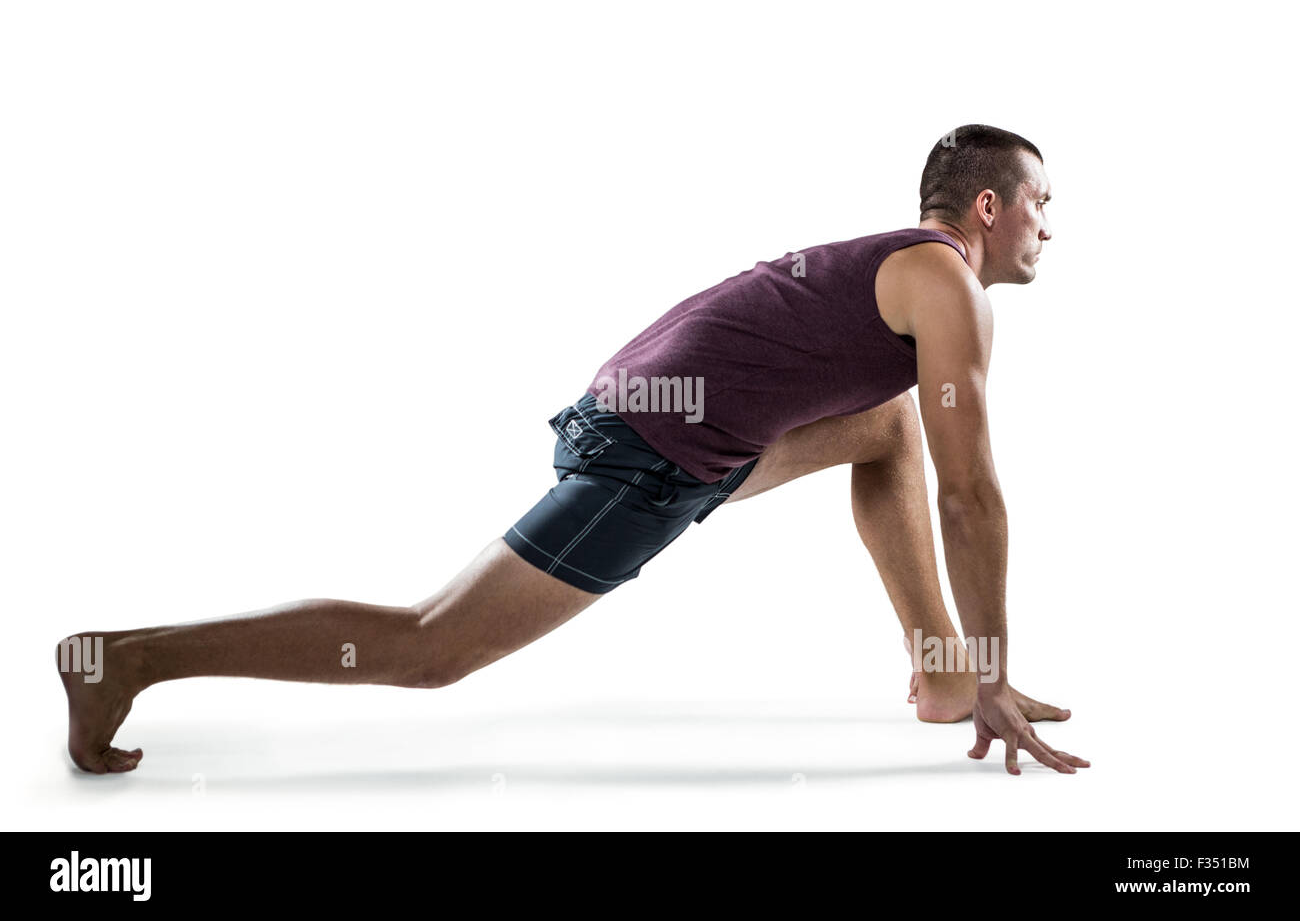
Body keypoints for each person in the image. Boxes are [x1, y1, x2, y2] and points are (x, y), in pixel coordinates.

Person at [58, 124, 1088, 777]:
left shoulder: (895, 265)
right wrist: (1007, 665)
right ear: (987, 206)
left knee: (882, 424)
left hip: (654, 417)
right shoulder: (942, 278)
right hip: (649, 448)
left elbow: (884, 430)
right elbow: (970, 498)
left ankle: (938, 668)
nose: (1051, 229)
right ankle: (130, 656)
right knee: (431, 646)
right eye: (1042, 205)